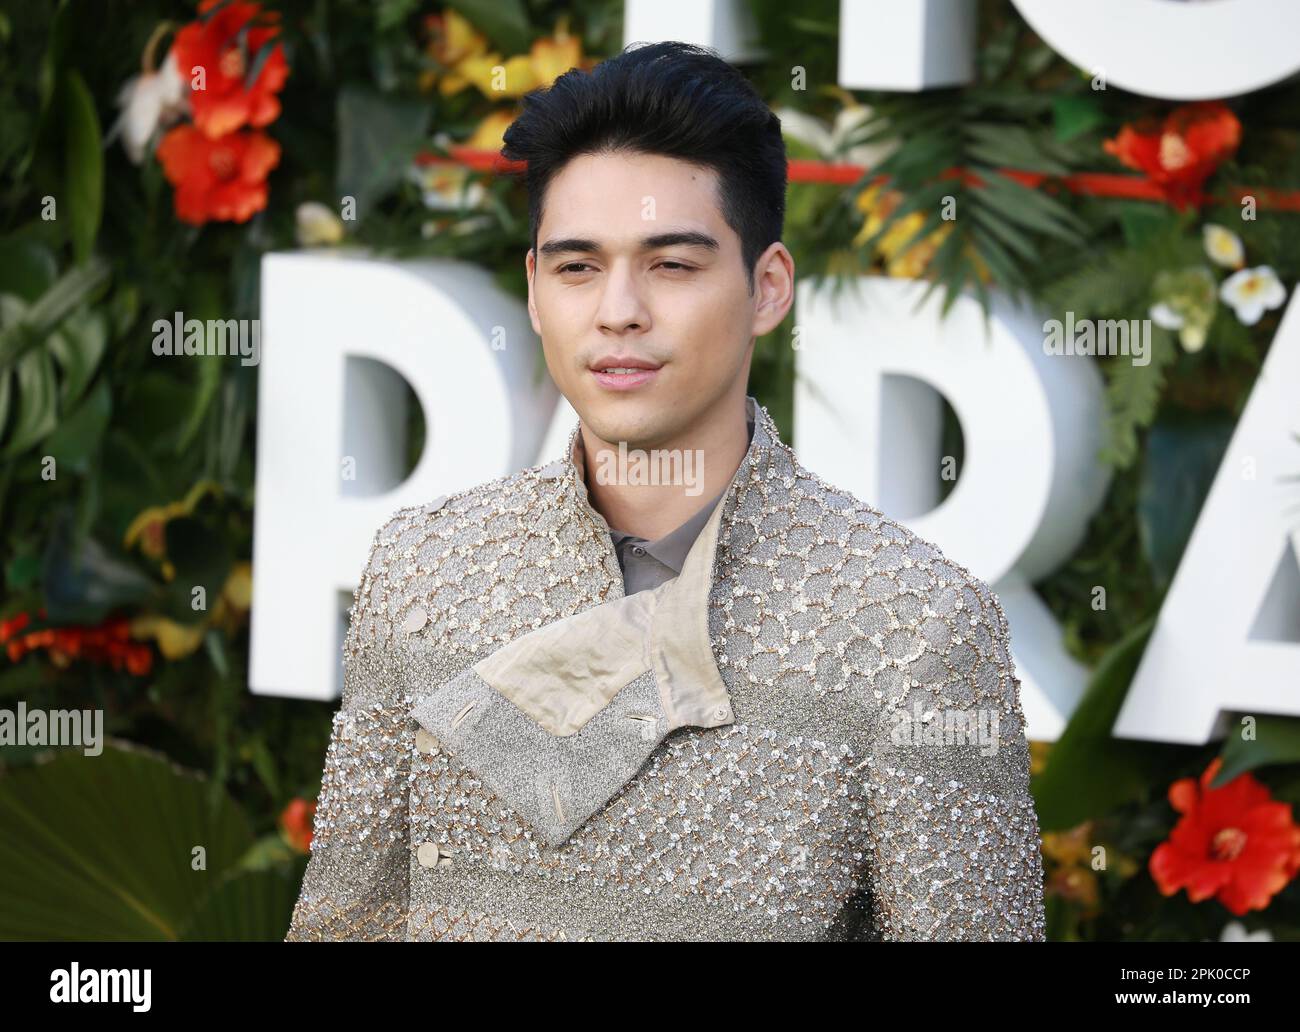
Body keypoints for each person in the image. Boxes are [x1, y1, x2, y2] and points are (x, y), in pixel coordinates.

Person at [285, 40, 1047, 942]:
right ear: (534, 291)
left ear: (767, 289)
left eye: (671, 265)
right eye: (577, 267)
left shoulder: (914, 624)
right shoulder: (425, 570)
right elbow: (346, 924)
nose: (618, 310)